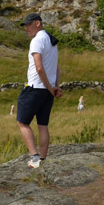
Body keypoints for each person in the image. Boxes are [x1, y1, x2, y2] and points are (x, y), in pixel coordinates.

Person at [17, 12, 61, 168]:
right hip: (47, 91)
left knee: (22, 122)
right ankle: (42, 158)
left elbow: (39, 67)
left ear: (37, 23)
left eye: (28, 25)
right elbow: (56, 67)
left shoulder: (37, 41)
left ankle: (34, 156)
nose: (26, 28)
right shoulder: (51, 40)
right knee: (43, 124)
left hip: (35, 87)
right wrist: (55, 87)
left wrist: (50, 87)